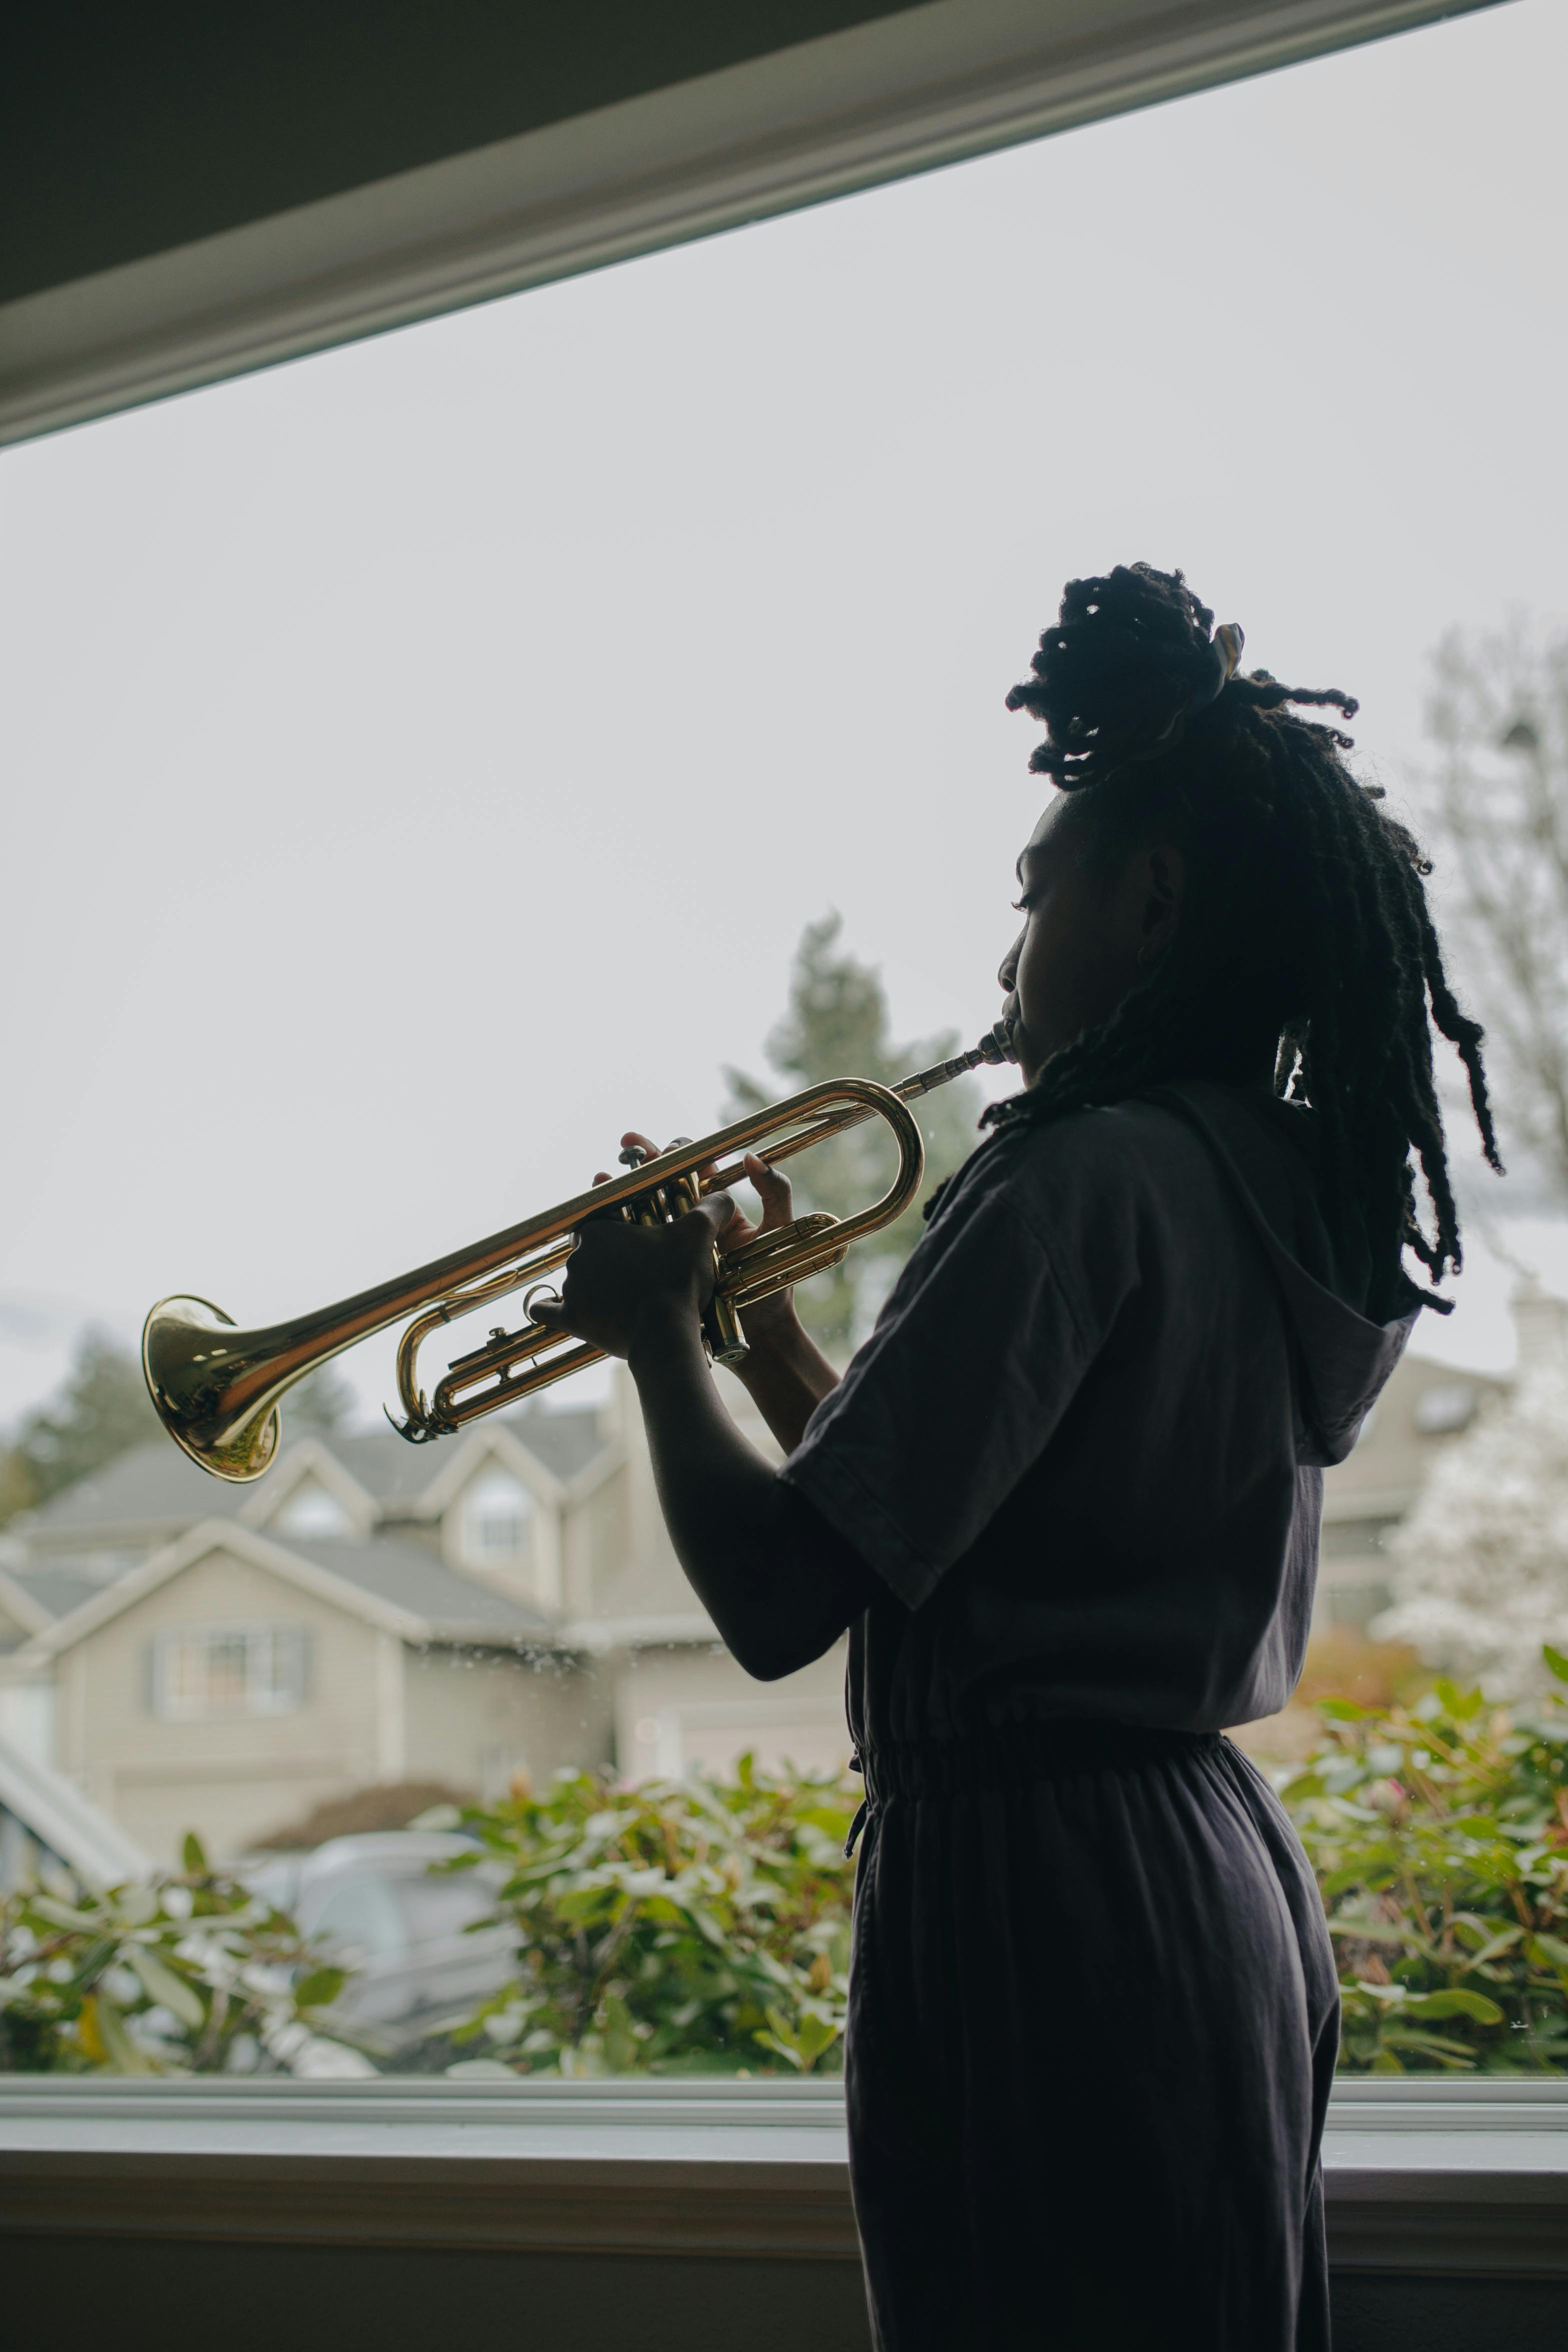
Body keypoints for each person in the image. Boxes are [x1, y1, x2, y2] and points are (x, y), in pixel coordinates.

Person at [532, 562, 1500, 2351]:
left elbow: (770, 1600)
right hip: (1191, 1867)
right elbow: (954, 1538)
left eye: (1029, 895)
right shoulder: (1252, 1181)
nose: (1000, 958)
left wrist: (651, 1335)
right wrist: (761, 1344)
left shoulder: (1072, 1172)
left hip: (1042, 1896)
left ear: (1145, 896)